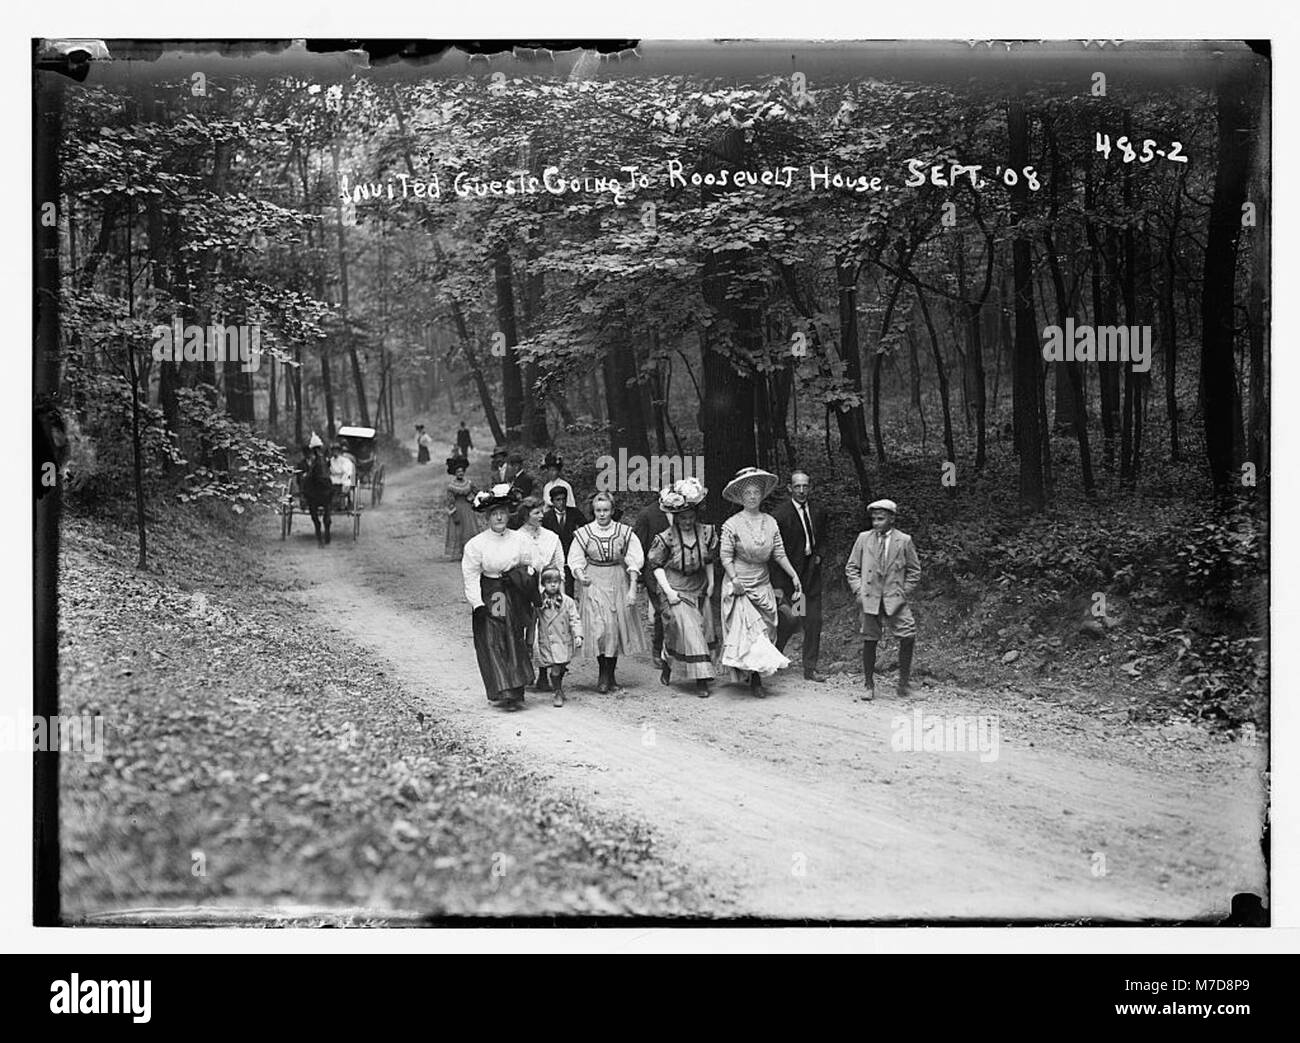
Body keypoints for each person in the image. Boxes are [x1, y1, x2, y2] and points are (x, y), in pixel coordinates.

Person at [718, 467, 802, 696]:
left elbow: (779, 553)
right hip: (740, 583)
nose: (753, 497)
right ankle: (754, 680)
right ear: (741, 498)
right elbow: (725, 556)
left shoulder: (771, 522)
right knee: (749, 632)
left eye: (756, 493)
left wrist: (793, 575)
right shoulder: (732, 524)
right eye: (748, 494)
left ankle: (756, 674)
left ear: (761, 495)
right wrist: (734, 580)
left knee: (765, 629)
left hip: (762, 581)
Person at [462, 484, 537, 709]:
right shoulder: (477, 544)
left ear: (508, 514)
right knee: (495, 638)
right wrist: (477, 603)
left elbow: (532, 561)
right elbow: (471, 575)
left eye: (502, 513)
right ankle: (504, 689)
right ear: (487, 517)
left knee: (514, 636)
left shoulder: (520, 539)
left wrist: (529, 577)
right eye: (494, 514)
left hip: (514, 589)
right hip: (493, 592)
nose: (499, 517)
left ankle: (517, 688)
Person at [568, 491, 648, 693]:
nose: (602, 514)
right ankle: (603, 673)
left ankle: (609, 675)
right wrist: (580, 573)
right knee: (599, 628)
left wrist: (632, 588)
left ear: (612, 510)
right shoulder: (585, 532)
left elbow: (634, 559)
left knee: (613, 627)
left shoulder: (624, 532)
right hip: (593, 579)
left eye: (606, 510)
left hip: (616, 578)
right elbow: (575, 558)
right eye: (598, 510)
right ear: (593, 511)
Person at [844, 498, 921, 702]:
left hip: (895, 598)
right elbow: (851, 567)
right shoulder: (863, 538)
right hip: (870, 597)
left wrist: (904, 592)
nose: (876, 523)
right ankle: (868, 685)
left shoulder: (904, 540)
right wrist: (858, 591)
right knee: (870, 639)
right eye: (874, 519)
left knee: (908, 635)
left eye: (881, 519)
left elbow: (914, 570)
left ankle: (903, 684)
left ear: (892, 519)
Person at [648, 478, 718, 697]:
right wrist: (669, 592)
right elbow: (656, 566)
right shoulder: (666, 537)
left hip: (698, 584)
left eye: (690, 517)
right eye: (682, 518)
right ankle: (701, 680)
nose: (687, 522)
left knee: (703, 629)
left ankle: (670, 664)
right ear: (675, 517)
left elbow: (708, 561)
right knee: (687, 629)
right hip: (675, 586)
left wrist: (712, 583)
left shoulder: (706, 532)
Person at [770, 470, 829, 682]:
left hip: (810, 576)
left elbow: (822, 539)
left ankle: (810, 669)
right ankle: (774, 657)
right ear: (790, 488)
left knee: (814, 621)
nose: (802, 491)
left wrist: (820, 556)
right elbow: (775, 553)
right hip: (792, 580)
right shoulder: (780, 516)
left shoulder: (818, 511)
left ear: (810, 487)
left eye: (805, 486)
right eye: (797, 486)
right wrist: (778, 584)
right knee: (792, 621)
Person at [515, 494, 565, 690]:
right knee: (528, 632)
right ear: (526, 515)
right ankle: (525, 672)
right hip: (524, 591)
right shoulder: (516, 537)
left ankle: (546, 674)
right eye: (537, 512)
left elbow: (559, 566)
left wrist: (558, 591)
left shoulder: (551, 537)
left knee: (548, 631)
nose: (542, 515)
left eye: (542, 511)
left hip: (548, 589)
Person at [535, 565, 583, 708]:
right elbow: (533, 620)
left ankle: (559, 687)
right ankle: (557, 691)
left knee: (561, 666)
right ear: (543, 584)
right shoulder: (539, 602)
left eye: (556, 581)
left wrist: (578, 634)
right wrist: (531, 637)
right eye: (549, 582)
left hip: (563, 639)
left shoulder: (567, 601)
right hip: (548, 640)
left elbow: (575, 618)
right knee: (555, 668)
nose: (553, 585)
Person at [632, 495, 671, 669]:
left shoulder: (685, 510)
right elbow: (638, 546)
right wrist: (639, 577)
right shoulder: (647, 514)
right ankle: (658, 650)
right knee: (661, 610)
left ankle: (676, 651)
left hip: (680, 570)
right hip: (654, 571)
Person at [543, 486, 586, 597]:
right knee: (553, 582)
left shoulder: (574, 513)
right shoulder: (546, 517)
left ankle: (568, 605)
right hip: (553, 554)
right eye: (558, 500)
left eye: (563, 499)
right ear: (552, 501)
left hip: (570, 553)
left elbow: (585, 528)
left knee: (569, 584)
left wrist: (577, 537)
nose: (561, 503)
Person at [445, 456, 484, 560]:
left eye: (462, 472)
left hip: (468, 510)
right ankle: (460, 553)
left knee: (469, 529)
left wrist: (473, 498)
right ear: (455, 473)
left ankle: (470, 552)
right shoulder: (451, 486)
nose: (460, 474)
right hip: (458, 510)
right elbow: (450, 501)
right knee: (458, 530)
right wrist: (453, 513)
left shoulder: (469, 483)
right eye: (458, 472)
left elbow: (477, 492)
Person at [302, 435, 334, 548]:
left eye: (318, 447)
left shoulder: (325, 458)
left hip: (324, 485)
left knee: (330, 486)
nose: (317, 450)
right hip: (313, 485)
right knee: (306, 482)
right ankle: (319, 534)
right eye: (315, 448)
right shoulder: (311, 459)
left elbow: (329, 468)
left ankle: (327, 529)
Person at [329, 443, 356, 509]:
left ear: (339, 451)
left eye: (336, 451)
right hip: (333, 477)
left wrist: (343, 479)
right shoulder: (330, 460)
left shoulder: (345, 460)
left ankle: (342, 503)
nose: (335, 452)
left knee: (344, 485)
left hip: (343, 477)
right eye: (333, 451)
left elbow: (347, 471)